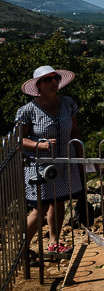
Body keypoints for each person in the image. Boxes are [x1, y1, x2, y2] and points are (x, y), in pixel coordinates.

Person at [17, 65, 85, 259]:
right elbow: (19, 140)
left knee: (59, 201)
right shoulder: (28, 110)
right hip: (39, 166)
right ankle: (22, 248)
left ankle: (54, 243)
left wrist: (82, 160)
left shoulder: (68, 103)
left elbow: (75, 132)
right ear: (38, 85)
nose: (54, 82)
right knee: (41, 208)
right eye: (48, 80)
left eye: (55, 78)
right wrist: (40, 145)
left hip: (64, 161)